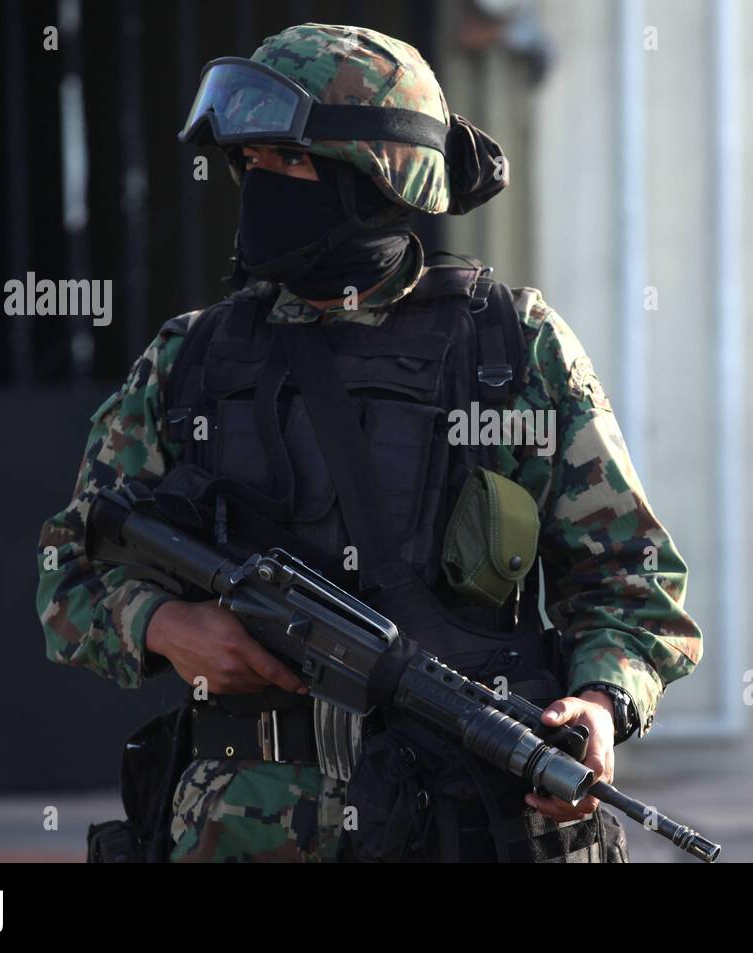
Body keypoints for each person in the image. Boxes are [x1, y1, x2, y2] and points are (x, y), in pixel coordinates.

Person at [36, 22, 701, 863]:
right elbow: (69, 568)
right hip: (239, 830)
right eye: (254, 163)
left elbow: (633, 587)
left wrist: (601, 703)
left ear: (376, 177)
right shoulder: (192, 358)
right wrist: (165, 623)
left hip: (458, 823)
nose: (261, 184)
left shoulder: (509, 347)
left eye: (292, 162)